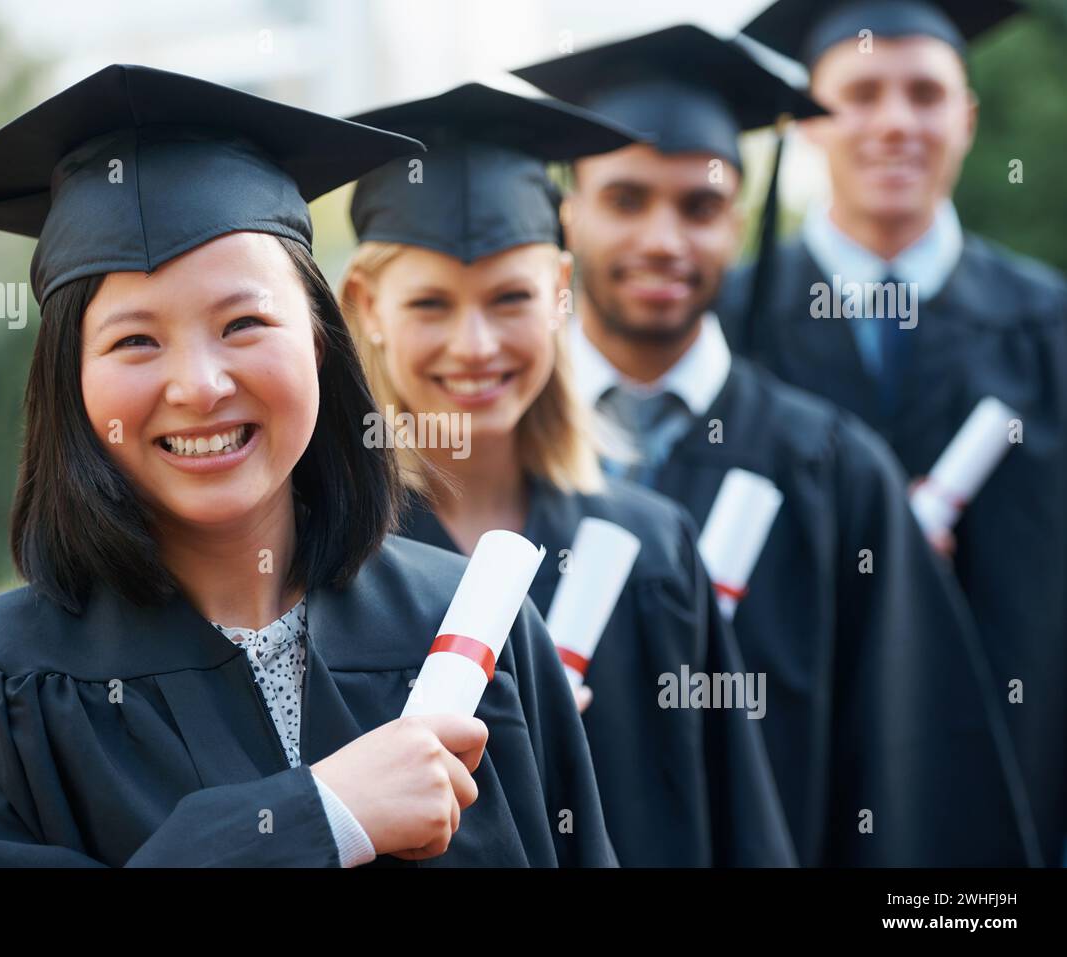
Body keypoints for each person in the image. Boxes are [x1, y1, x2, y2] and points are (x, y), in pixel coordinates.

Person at [0, 65, 616, 868]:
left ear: (321, 340)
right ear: (71, 381)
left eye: (243, 323)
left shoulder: (473, 629)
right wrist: (317, 816)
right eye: (135, 340)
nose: (200, 386)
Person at [514, 24, 1039, 865]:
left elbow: (915, 769)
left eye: (701, 205)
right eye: (625, 199)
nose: (663, 240)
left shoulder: (830, 466)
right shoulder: (483, 462)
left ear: (740, 220)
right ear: (566, 212)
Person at [339, 81, 795, 866]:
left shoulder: (649, 547)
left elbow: (737, 825)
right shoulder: (332, 570)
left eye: (511, 298)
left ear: (559, 292)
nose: (476, 345)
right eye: (431, 305)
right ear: (367, 305)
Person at [717, 0, 1067, 867]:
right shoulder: (728, 324)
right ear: (806, 122)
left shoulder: (1051, 327)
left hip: (1021, 785)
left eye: (925, 93)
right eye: (862, 93)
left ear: (968, 118)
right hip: (791, 782)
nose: (896, 122)